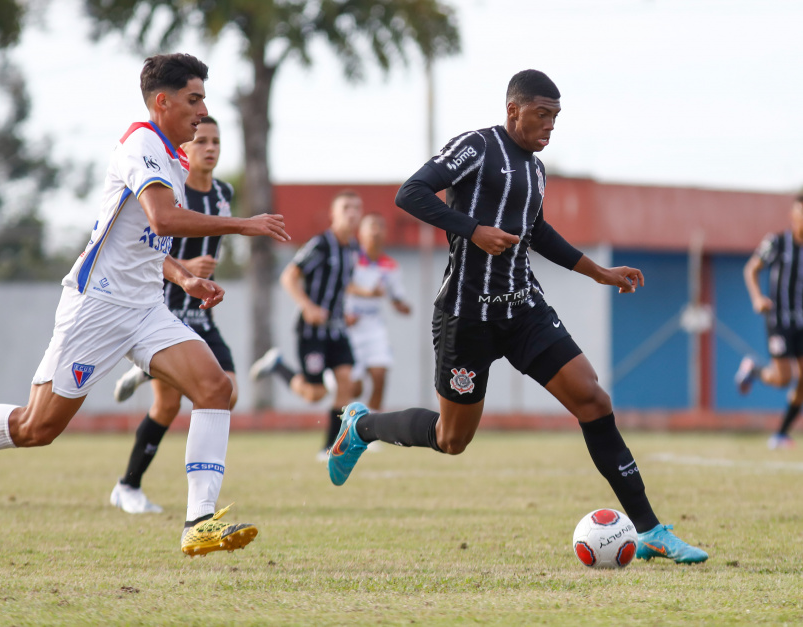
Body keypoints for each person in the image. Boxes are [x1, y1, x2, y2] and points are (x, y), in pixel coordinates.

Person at [0, 53, 291, 558]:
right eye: (195, 100)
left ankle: (198, 522)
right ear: (163, 101)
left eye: (204, 100)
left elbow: (145, 237)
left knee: (216, 388)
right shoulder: (140, 145)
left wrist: (180, 276)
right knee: (36, 427)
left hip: (145, 307)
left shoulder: (172, 156)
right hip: (97, 307)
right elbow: (164, 219)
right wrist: (244, 224)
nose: (202, 111)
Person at [326, 69, 708, 564]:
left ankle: (651, 529)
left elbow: (538, 232)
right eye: (542, 115)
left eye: (556, 117)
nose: (550, 126)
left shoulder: (536, 169)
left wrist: (597, 272)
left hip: (523, 307)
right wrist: (473, 229)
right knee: (451, 438)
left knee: (592, 399)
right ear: (514, 111)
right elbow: (412, 193)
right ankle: (361, 428)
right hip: (466, 315)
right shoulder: (476, 147)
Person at [109, 116, 242, 513]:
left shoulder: (223, 191)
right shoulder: (172, 187)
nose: (210, 148)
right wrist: (186, 271)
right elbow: (154, 238)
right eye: (201, 140)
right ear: (184, 148)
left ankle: (151, 370)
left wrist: (208, 275)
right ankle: (128, 487)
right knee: (167, 407)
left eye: (216, 141)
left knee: (228, 394)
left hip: (200, 312)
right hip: (164, 306)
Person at [250, 191, 362, 458]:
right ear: (333, 215)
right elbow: (289, 276)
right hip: (311, 331)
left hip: (336, 328)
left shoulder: (354, 248)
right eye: (345, 207)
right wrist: (308, 307)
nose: (352, 213)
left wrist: (345, 311)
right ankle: (277, 366)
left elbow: (340, 284)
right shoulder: (321, 244)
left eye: (357, 208)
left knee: (346, 382)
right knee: (314, 394)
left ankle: (332, 447)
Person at [735, 193, 803, 449]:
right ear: (793, 216)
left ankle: (781, 435)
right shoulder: (776, 242)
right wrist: (757, 298)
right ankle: (753, 371)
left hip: (802, 321)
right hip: (780, 319)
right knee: (784, 379)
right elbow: (751, 269)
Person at [344, 213, 411, 412]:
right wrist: (367, 293)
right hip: (349, 327)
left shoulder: (390, 266)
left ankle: (369, 430)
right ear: (361, 232)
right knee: (354, 389)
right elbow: (343, 286)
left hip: (374, 327)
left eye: (379, 227)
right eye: (371, 226)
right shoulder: (350, 259)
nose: (375, 231)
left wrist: (402, 306)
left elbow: (396, 296)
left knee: (380, 376)